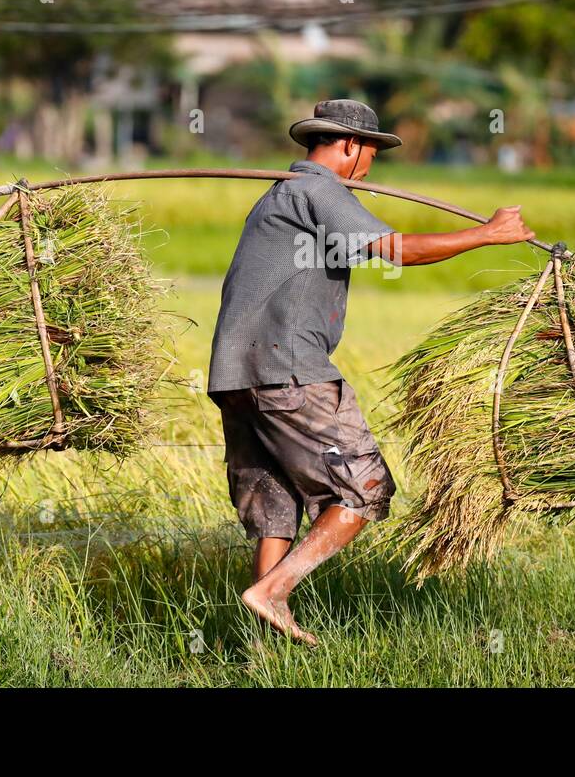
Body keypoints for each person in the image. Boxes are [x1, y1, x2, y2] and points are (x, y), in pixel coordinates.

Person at [207, 99, 536, 645]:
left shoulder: (280, 196)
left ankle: (260, 647)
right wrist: (487, 234)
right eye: (372, 154)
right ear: (351, 146)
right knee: (365, 488)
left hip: (237, 377)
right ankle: (273, 591)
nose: (370, 167)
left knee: (275, 505)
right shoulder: (318, 191)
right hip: (289, 372)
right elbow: (394, 250)